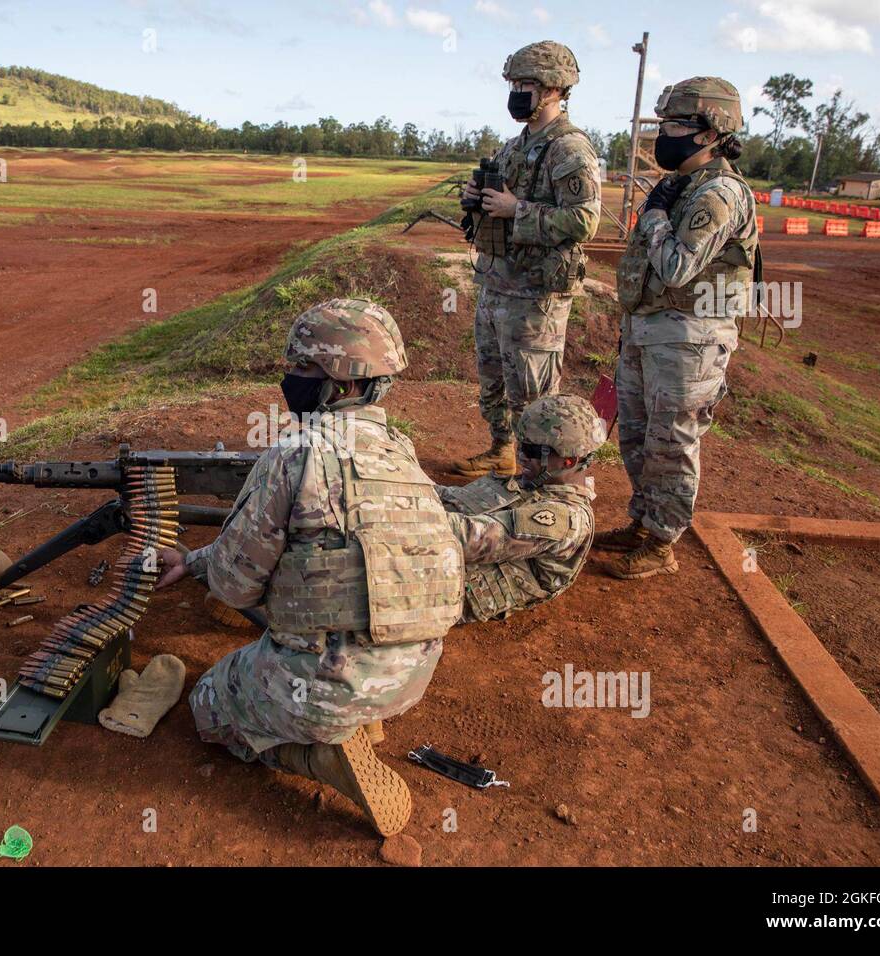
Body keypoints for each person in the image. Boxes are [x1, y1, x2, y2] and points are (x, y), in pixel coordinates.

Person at [154, 298, 465, 837]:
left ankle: (316, 758)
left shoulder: (297, 452)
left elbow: (234, 586)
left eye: (300, 367)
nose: (288, 378)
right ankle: (359, 715)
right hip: (412, 680)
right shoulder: (402, 452)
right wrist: (194, 562)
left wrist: (208, 565)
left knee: (208, 705)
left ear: (340, 383)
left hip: (320, 687)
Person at [597, 77, 758, 580]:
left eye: (675, 125)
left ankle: (663, 541)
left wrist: (656, 217)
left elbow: (675, 267)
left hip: (691, 341)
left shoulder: (720, 194)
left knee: (672, 442)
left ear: (711, 133)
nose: (662, 133)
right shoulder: (681, 185)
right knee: (638, 437)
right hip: (649, 331)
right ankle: (645, 522)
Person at [452, 40, 601, 480]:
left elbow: (584, 220)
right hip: (497, 282)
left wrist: (516, 209)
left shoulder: (570, 150)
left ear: (556, 89)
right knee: (494, 380)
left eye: (527, 84)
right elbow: (497, 199)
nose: (517, 92)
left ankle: (539, 475)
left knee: (532, 389)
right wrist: (476, 200)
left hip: (536, 293)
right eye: (514, 83)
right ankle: (502, 450)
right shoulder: (514, 146)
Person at [438, 395, 602, 621]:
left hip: (456, 582)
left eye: (533, 451)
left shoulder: (562, 520)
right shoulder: (536, 482)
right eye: (521, 445)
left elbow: (467, 539)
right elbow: (453, 497)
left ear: (568, 461)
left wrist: (400, 510)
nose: (521, 456)